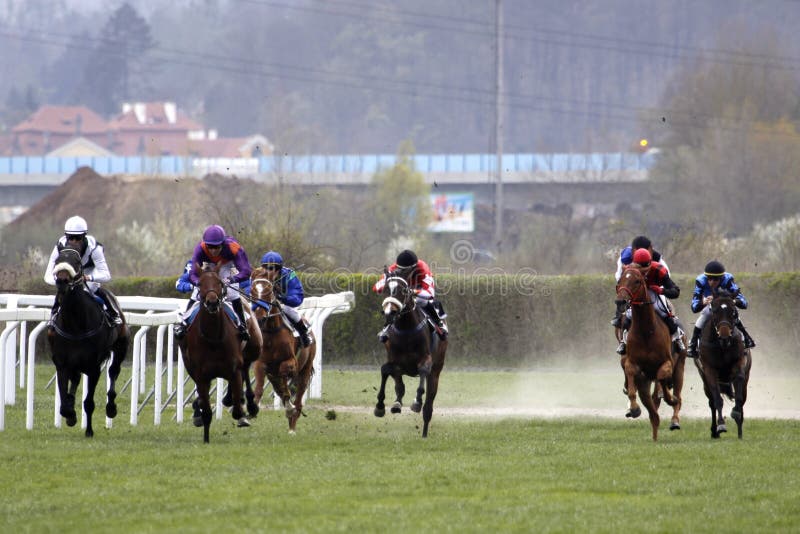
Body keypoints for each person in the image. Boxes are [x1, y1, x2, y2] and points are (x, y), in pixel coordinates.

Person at [174, 225, 252, 341]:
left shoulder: (234, 247)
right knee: (196, 293)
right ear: (205, 244)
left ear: (223, 243)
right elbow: (193, 273)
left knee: (232, 293)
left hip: (226, 265)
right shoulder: (200, 248)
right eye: (210, 247)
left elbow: (246, 271)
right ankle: (184, 323)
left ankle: (242, 326)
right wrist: (198, 283)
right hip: (208, 265)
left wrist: (233, 279)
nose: (213, 250)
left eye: (217, 247)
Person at [43, 215, 122, 326]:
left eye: (78, 238)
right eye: (71, 238)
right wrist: (60, 280)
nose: (74, 242)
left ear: (84, 237)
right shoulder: (59, 247)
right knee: (63, 291)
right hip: (69, 276)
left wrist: (88, 277)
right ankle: (53, 316)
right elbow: (47, 276)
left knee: (94, 290)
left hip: (89, 273)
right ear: (66, 237)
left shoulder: (95, 248)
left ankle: (114, 314)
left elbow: (106, 275)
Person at [616, 248, 684, 355]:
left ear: (650, 263)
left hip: (654, 292)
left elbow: (676, 291)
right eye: (639, 267)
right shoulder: (629, 270)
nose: (643, 271)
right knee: (628, 315)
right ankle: (623, 342)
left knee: (663, 311)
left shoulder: (658, 268)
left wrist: (661, 290)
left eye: (645, 268)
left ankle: (677, 337)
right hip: (638, 294)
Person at [372, 249, 448, 342]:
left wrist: (413, 291)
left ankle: (439, 323)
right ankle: (386, 328)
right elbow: (376, 287)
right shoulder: (392, 268)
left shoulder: (423, 268)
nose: (402, 272)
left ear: (414, 268)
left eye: (405, 270)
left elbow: (430, 294)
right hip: (403, 291)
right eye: (400, 270)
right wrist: (387, 284)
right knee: (392, 303)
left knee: (422, 301)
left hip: (419, 288)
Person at [686, 260, 756, 358]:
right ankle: (692, 345)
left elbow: (744, 302)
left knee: (733, 313)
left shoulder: (728, 279)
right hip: (710, 305)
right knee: (705, 314)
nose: (711, 282)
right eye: (709, 279)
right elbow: (694, 307)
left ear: (721, 278)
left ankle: (747, 338)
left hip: (726, 304)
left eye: (715, 280)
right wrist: (703, 302)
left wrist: (734, 302)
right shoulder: (700, 280)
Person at [255, 251, 312, 347]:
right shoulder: (257, 275)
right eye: (265, 268)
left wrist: (283, 298)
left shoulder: (290, 275)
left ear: (278, 269)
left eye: (272, 268)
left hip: (283, 304)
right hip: (262, 303)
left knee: (288, 310)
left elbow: (297, 296)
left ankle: (304, 334)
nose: (268, 272)